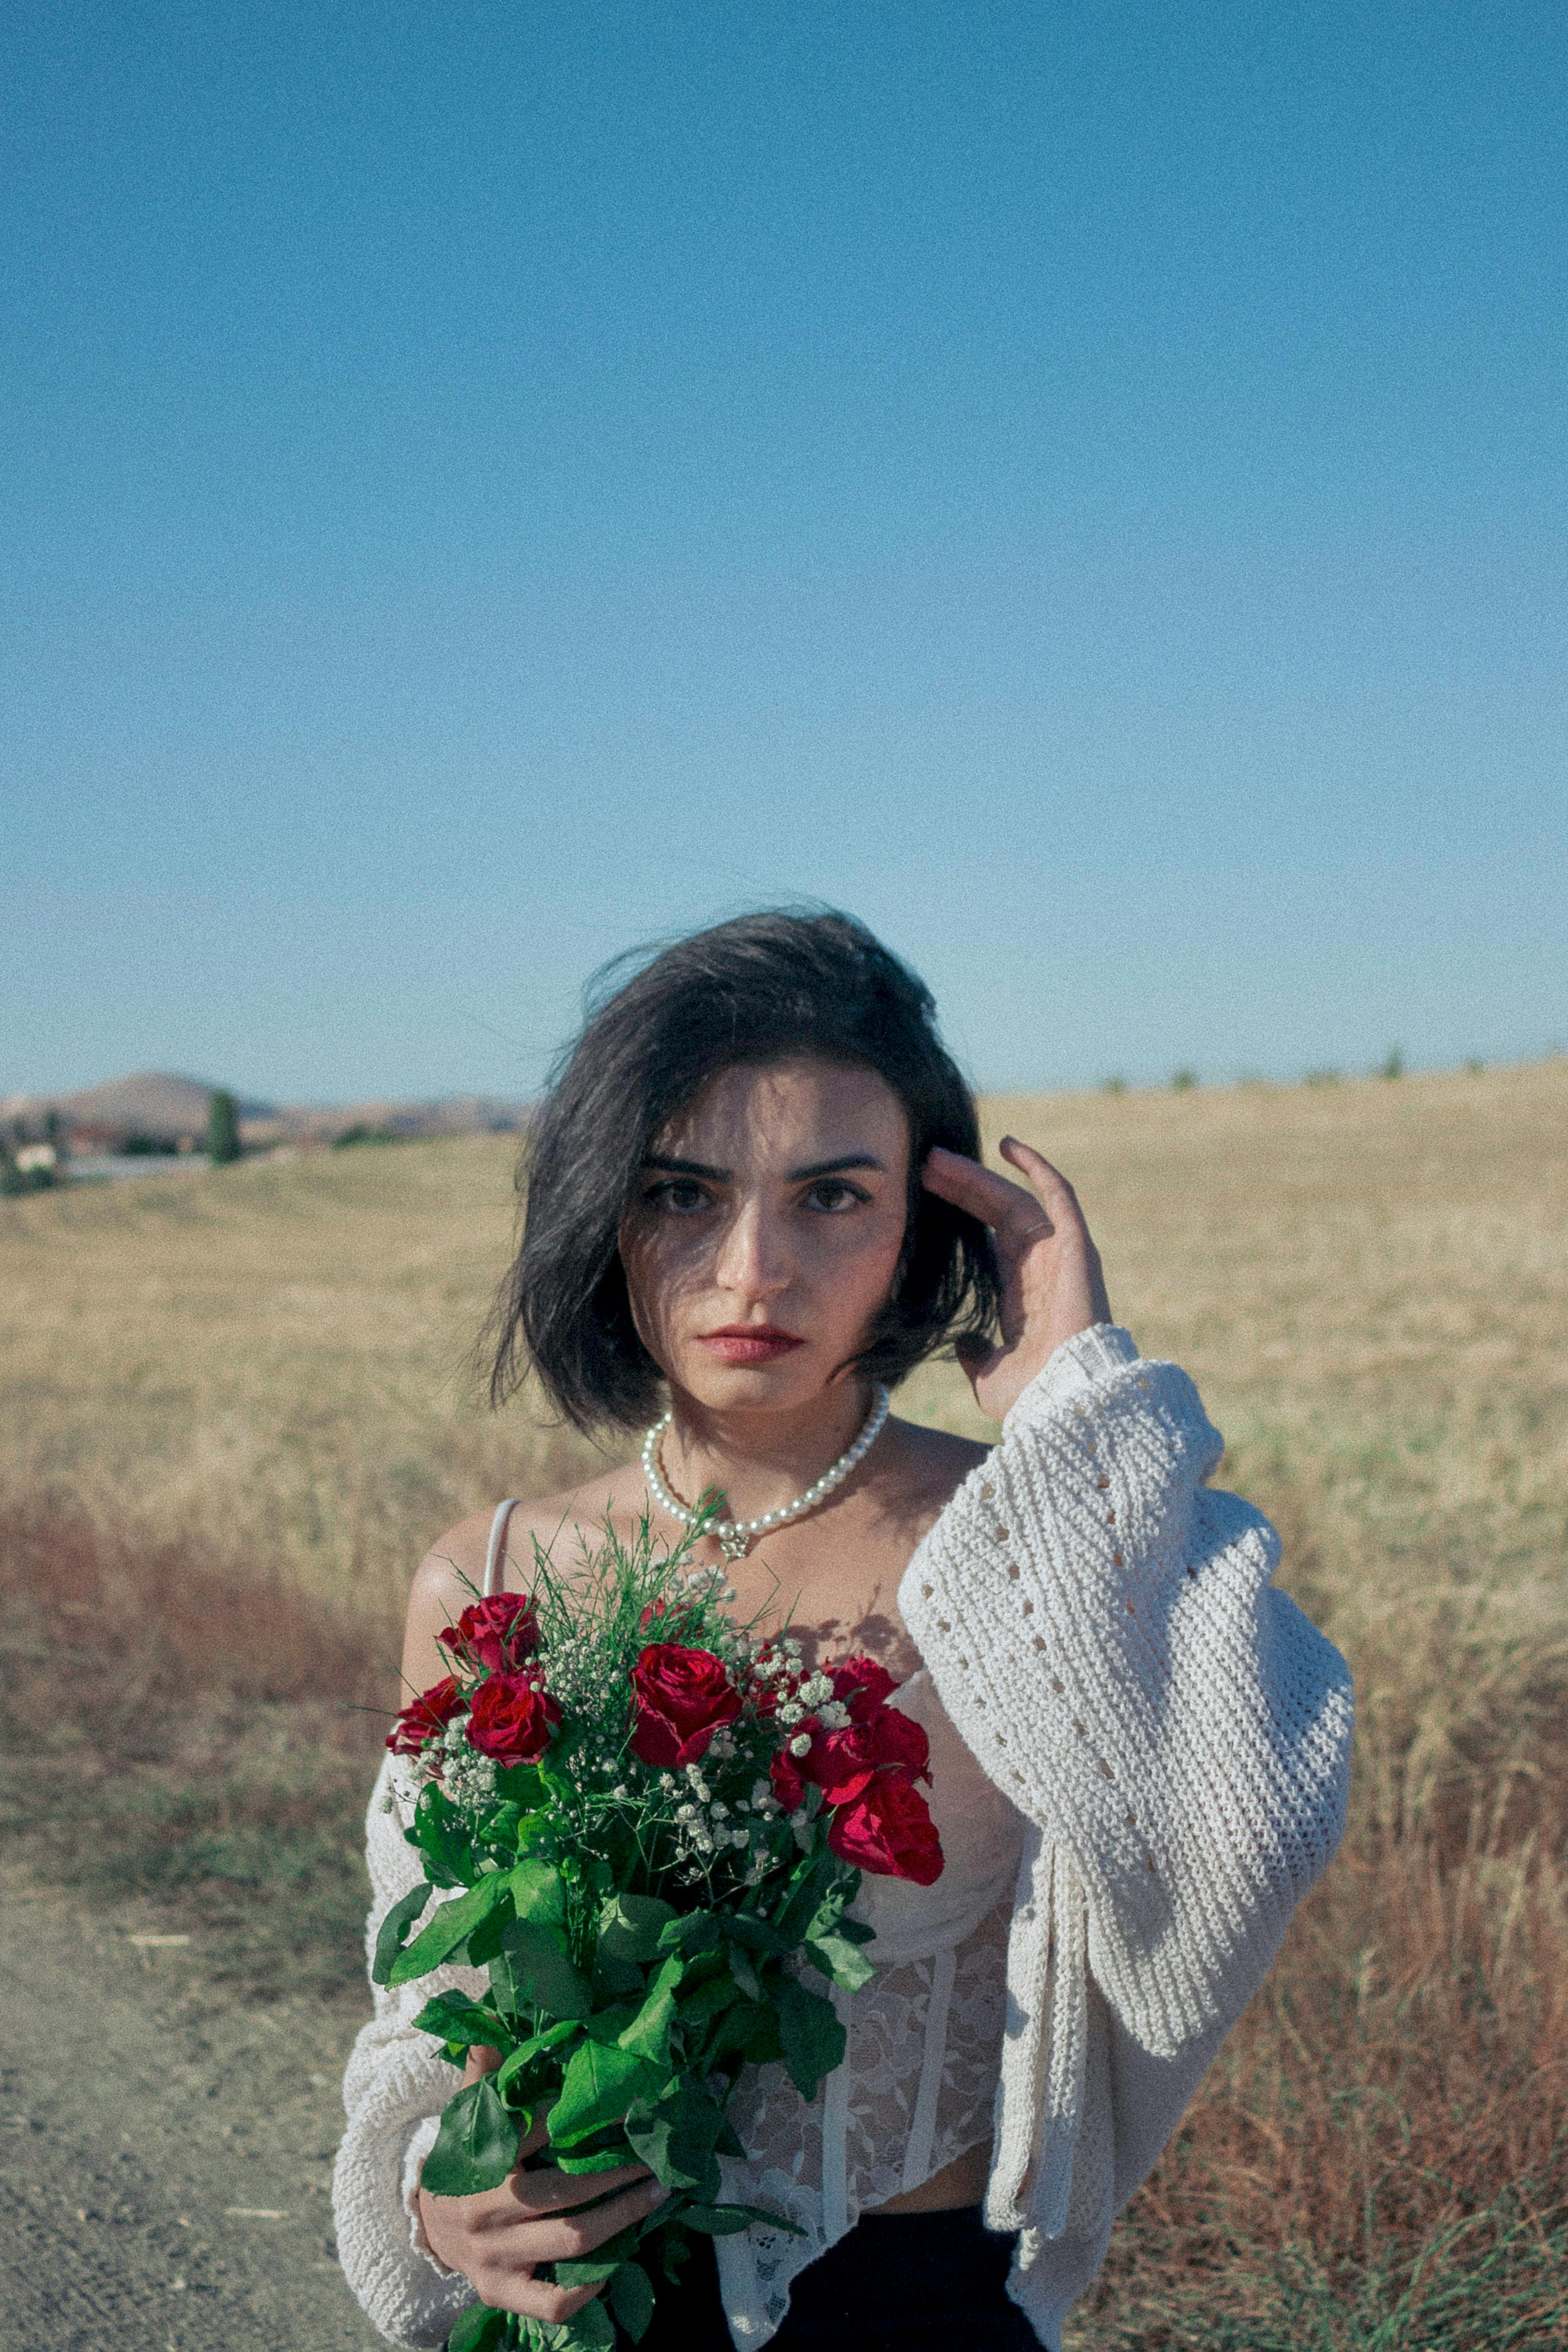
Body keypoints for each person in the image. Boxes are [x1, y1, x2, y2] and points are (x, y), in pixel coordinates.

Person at [332, 910, 1352, 2352]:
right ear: (603, 1210)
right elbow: (426, 2003)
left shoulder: (1013, 1551)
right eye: (684, 1191)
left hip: (906, 2311)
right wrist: (442, 2196)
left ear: (922, 1230)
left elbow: (1243, 1830)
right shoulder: (487, 1579)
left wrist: (1081, 1410)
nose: (753, 1268)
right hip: (582, 2318)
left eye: (830, 1196)